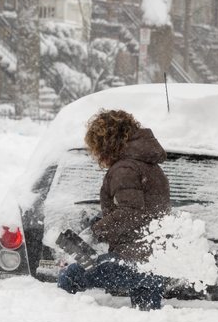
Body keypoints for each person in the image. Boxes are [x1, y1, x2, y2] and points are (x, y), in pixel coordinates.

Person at [57, 109, 180, 310]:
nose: (96, 152)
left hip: (134, 259)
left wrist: (94, 232)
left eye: (96, 145)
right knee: (147, 316)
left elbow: (131, 212)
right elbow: (141, 208)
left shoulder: (125, 169)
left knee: (69, 276)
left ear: (106, 142)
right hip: (157, 259)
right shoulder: (148, 165)